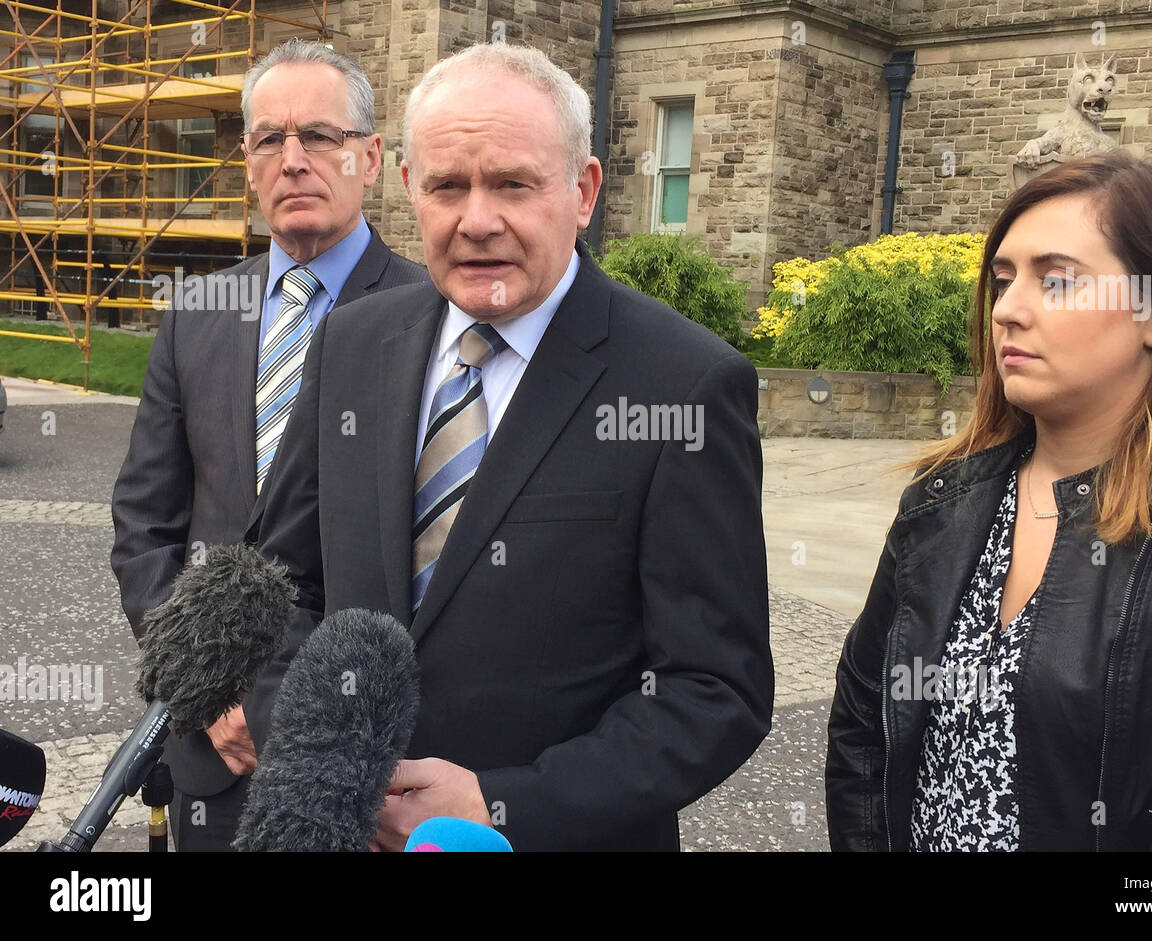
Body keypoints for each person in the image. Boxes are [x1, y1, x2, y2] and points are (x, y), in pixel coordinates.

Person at [242, 42, 774, 851]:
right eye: (449, 185)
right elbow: (279, 587)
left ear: (583, 190)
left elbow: (715, 690)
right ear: (411, 188)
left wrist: (498, 804)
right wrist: (329, 763)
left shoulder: (685, 385)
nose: (477, 218)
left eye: (514, 184)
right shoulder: (353, 342)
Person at [825, 150, 1152, 851]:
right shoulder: (945, 499)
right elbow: (864, 726)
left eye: (1057, 281)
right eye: (1003, 280)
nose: (1008, 311)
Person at [110, 39, 428, 851]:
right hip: (209, 750)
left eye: (318, 136)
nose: (293, 160)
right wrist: (201, 686)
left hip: (366, 763)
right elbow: (146, 523)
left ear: (369, 156)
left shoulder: (432, 314)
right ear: (247, 164)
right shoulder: (199, 311)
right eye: (267, 140)